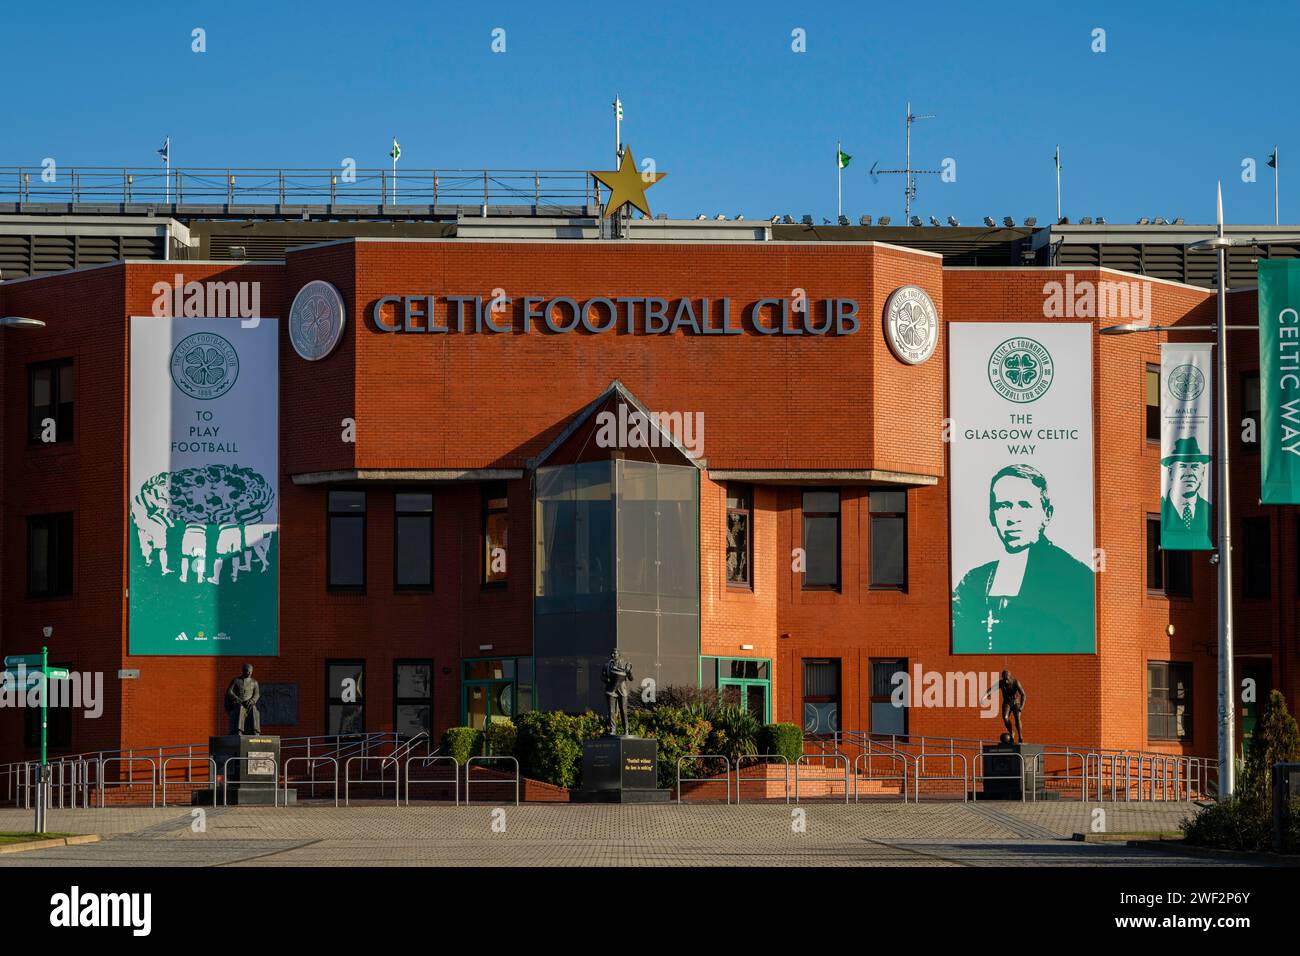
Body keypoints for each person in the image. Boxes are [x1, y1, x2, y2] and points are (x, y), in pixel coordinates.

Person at [952, 463, 1094, 653]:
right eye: (1003, 506)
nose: (1012, 517)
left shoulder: (1075, 577)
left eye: (1024, 505)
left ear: (1047, 514)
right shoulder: (974, 580)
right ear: (991, 516)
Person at [1159, 436, 1212, 546]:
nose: (1189, 473)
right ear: (1170, 472)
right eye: (1182, 466)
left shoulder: (1209, 510)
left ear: (1202, 472)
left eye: (1195, 466)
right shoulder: (1163, 507)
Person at [981, 671, 1027, 743]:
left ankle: (1020, 736)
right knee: (1005, 717)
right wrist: (984, 697)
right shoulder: (1001, 683)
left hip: (1016, 702)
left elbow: (1023, 694)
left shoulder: (1016, 682)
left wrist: (1021, 706)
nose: (1006, 681)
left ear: (1010, 677)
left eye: (1007, 679)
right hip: (1007, 702)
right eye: (1004, 679)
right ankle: (1011, 732)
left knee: (1017, 718)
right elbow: (992, 689)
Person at [601, 649, 633, 736]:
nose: (613, 655)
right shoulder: (606, 665)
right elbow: (602, 676)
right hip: (611, 690)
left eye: (615, 653)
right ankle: (613, 730)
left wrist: (629, 672)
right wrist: (607, 679)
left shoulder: (625, 665)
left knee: (624, 711)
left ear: (619, 655)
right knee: (611, 711)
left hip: (622, 690)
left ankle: (626, 730)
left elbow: (631, 678)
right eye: (612, 653)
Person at [225, 663, 261, 735]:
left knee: (253, 708)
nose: (249, 673)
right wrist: (237, 699)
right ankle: (239, 730)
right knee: (240, 708)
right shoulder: (236, 680)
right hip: (239, 703)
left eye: (250, 671)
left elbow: (257, 694)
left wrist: (252, 700)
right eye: (247, 671)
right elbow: (229, 691)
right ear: (243, 671)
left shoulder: (254, 682)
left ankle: (255, 730)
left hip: (249, 703)